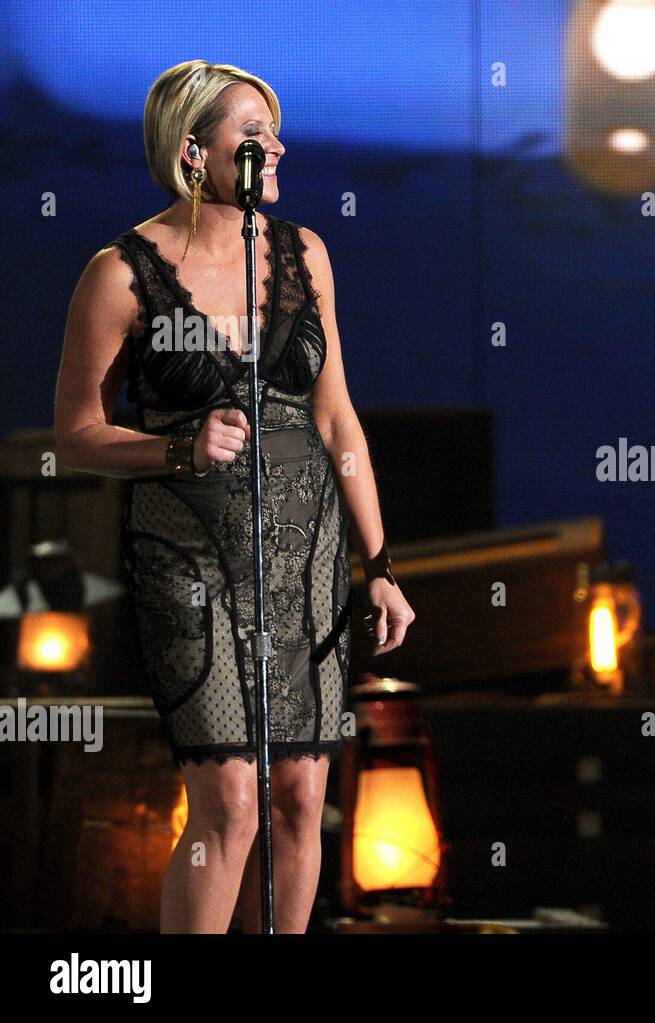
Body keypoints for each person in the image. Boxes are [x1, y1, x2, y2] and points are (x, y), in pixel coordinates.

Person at [53, 60, 415, 934]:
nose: (276, 146)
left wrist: (382, 563)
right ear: (193, 151)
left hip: (307, 556)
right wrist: (178, 444)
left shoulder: (303, 253)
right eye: (254, 134)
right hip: (189, 559)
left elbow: (338, 421)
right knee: (232, 808)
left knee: (298, 800)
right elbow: (75, 436)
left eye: (274, 129)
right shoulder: (120, 272)